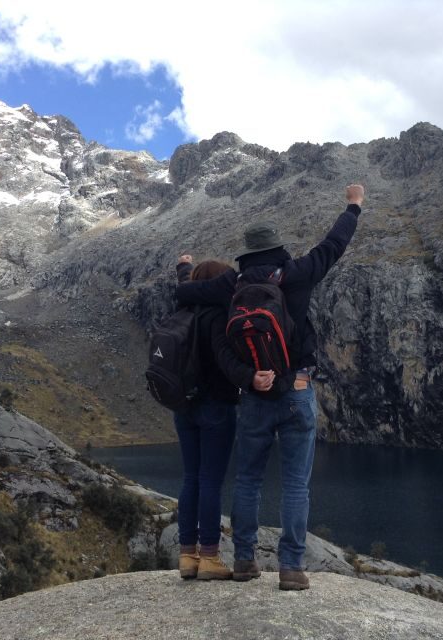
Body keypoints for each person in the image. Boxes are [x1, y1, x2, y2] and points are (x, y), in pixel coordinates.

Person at [176, 184, 365, 590]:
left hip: (255, 393)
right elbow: (334, 245)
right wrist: (353, 206)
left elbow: (185, 292)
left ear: (246, 253)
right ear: (277, 249)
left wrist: (183, 269)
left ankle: (244, 561)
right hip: (297, 389)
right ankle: (292, 568)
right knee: (296, 484)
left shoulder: (230, 284)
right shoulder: (296, 273)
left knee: (248, 480)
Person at [172, 258, 274, 580]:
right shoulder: (217, 315)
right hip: (215, 406)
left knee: (190, 478)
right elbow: (225, 359)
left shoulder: (182, 312)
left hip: (183, 406)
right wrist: (249, 379)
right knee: (210, 481)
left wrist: (182, 269)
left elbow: (186, 286)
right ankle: (210, 558)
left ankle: (187, 556)